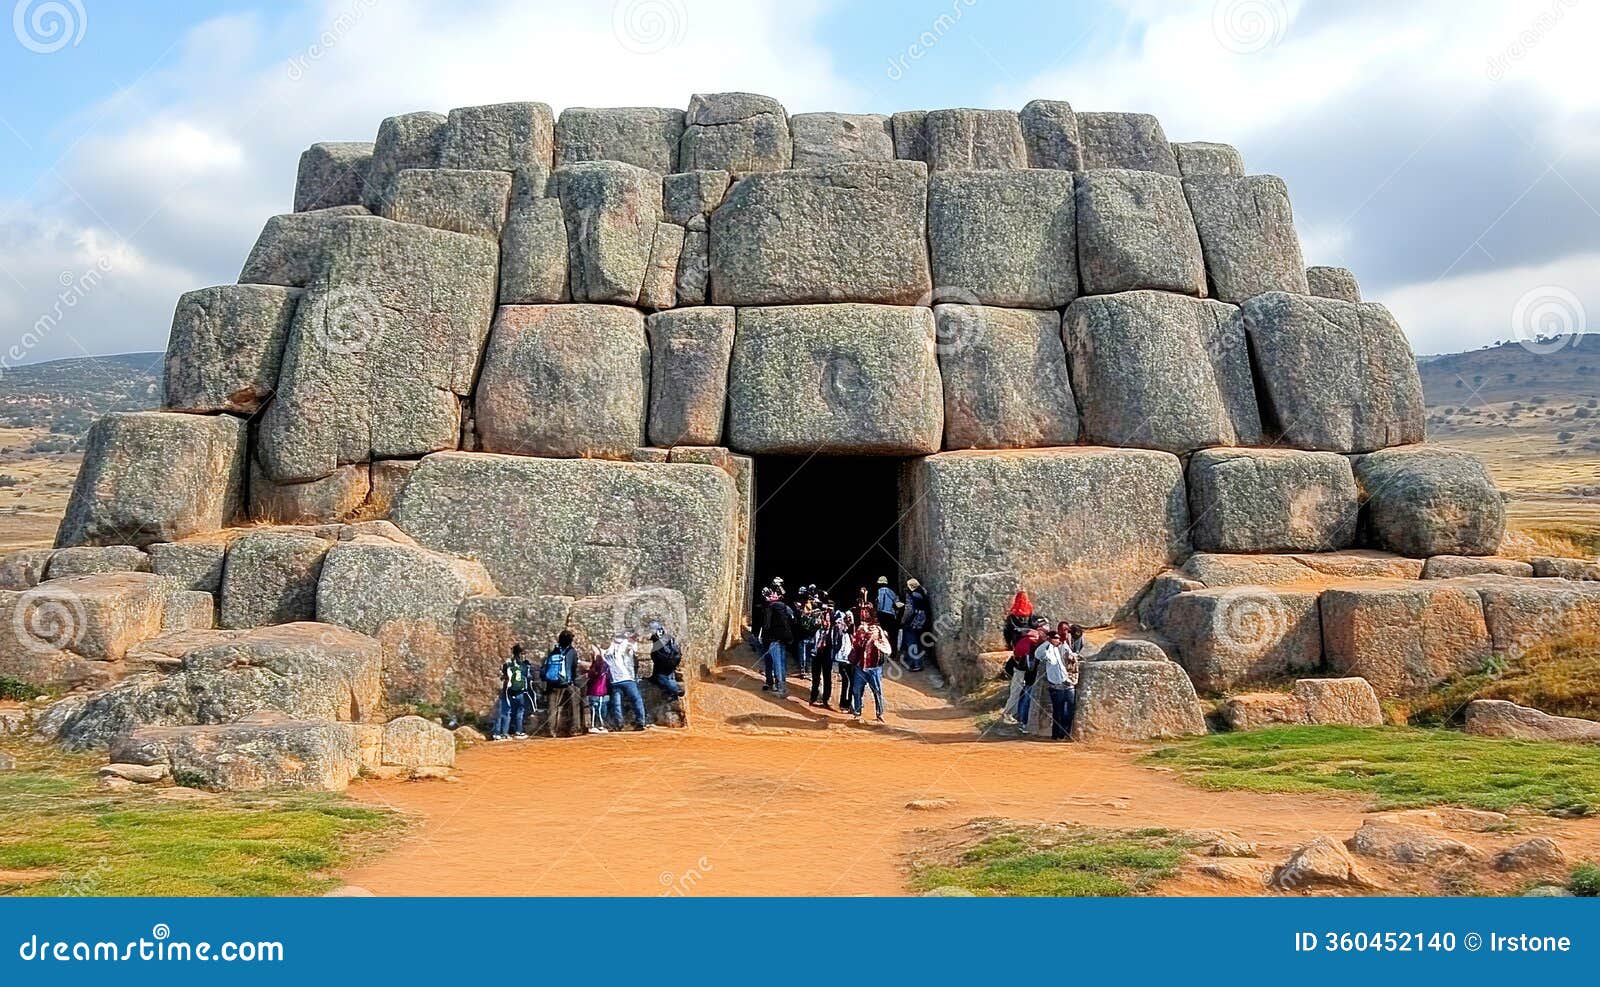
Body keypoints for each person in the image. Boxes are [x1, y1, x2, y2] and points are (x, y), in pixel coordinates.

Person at [598, 633, 650, 731]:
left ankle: (619, 724)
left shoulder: (606, 652)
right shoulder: (623, 647)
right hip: (627, 679)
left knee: (617, 704)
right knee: (636, 700)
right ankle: (640, 722)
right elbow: (632, 645)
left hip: (615, 681)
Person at [1036, 627, 1081, 740]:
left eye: (1058, 638)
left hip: (1069, 683)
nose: (1058, 640)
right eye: (1055, 638)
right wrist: (1047, 643)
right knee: (1058, 711)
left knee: (1069, 711)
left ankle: (1066, 733)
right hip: (1056, 686)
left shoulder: (1064, 646)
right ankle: (1057, 734)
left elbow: (1071, 655)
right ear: (1050, 638)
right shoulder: (1048, 650)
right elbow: (1038, 654)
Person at [849, 606, 891, 721]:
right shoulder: (859, 629)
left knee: (877, 691)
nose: (864, 614)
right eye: (863, 612)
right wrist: (860, 638)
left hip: (874, 667)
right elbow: (856, 645)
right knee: (856, 690)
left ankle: (880, 713)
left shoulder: (877, 630)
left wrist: (875, 641)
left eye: (866, 612)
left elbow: (886, 647)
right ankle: (857, 712)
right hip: (860, 666)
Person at [540, 631, 582, 737]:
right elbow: (574, 668)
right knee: (574, 704)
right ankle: (574, 729)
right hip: (567, 683)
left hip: (553, 683)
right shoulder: (572, 652)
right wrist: (573, 680)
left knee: (552, 707)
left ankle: (551, 730)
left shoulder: (553, 652)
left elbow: (545, 668)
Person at [1004, 626, 1044, 730]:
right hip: (1020, 671)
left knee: (1018, 693)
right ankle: (1007, 714)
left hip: (1019, 670)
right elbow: (1027, 664)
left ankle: (1013, 714)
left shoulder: (1024, 641)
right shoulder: (1027, 644)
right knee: (1016, 692)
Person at [758, 588, 795, 698]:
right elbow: (793, 620)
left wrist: (765, 636)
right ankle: (782, 686)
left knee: (776, 664)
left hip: (773, 639)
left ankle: (781, 688)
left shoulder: (771, 607)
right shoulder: (785, 607)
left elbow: (766, 625)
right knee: (781, 663)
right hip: (783, 639)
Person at [494, 644, 535, 740]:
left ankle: (502, 733)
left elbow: (503, 675)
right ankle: (518, 731)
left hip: (508, 691)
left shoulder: (508, 664)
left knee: (506, 711)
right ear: (521, 653)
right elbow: (528, 677)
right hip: (520, 691)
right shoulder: (524, 665)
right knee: (520, 711)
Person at [644, 621, 684, 699]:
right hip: (674, 658)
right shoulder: (667, 636)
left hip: (667, 660)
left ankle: (676, 690)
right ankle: (672, 694)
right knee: (668, 674)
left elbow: (659, 654)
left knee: (661, 677)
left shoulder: (657, 638)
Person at [809, 599, 837, 708]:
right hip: (817, 654)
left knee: (827, 677)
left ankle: (826, 699)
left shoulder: (833, 631)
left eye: (827, 621)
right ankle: (813, 698)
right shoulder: (817, 629)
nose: (825, 622)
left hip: (827, 654)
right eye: (824, 620)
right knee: (815, 677)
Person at [901, 578, 930, 671]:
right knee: (917, 641)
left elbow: (909, 609)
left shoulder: (911, 594)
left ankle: (915, 664)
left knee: (911, 642)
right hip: (922, 619)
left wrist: (903, 620)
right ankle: (917, 662)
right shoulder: (922, 593)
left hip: (912, 621)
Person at [583, 645, 611, 734]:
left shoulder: (599, 664)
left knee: (596, 709)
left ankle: (597, 725)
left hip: (596, 690)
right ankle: (597, 725)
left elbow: (595, 674)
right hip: (598, 690)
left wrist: (588, 673)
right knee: (597, 708)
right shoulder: (603, 664)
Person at [833, 606, 856, 712]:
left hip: (851, 660)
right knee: (846, 680)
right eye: (847, 617)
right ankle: (843, 703)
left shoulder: (854, 630)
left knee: (852, 681)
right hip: (842, 659)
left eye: (850, 617)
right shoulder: (840, 629)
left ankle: (850, 703)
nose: (849, 619)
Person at [874, 576, 900, 660]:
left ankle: (883, 653)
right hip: (890, 615)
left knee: (882, 634)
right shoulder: (890, 591)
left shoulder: (879, 591)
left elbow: (878, 604)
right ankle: (893, 653)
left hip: (881, 615)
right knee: (893, 635)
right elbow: (897, 601)